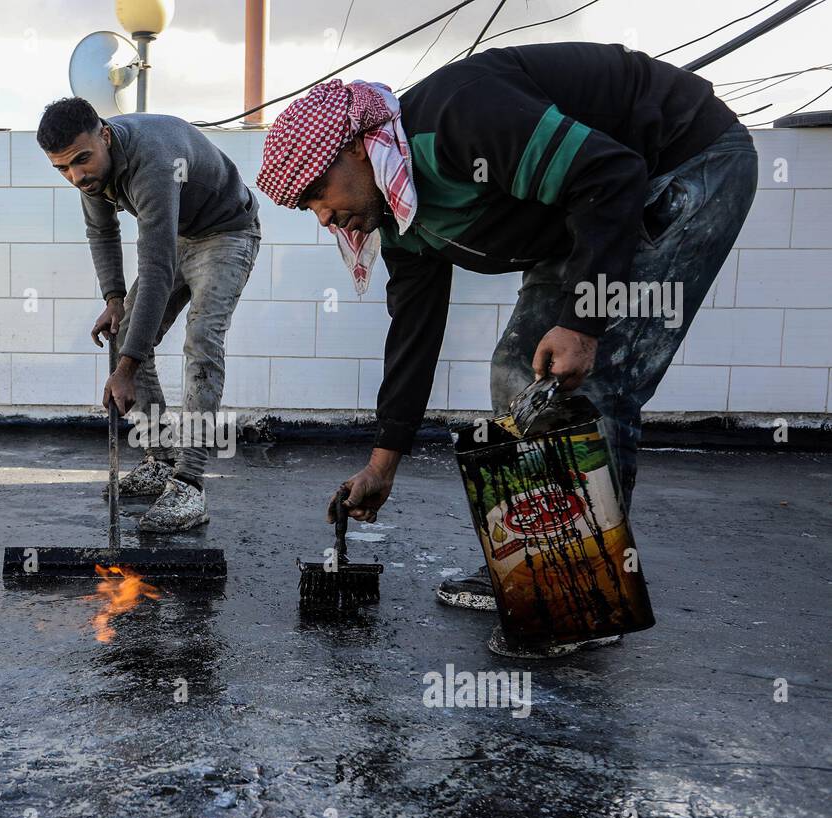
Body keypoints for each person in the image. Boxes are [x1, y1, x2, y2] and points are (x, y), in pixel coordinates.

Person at [256, 42, 757, 646]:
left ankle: (586, 592)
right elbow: (415, 332)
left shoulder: (460, 120)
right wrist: (383, 464)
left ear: (362, 145)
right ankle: (545, 563)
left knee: (593, 381)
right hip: (590, 209)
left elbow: (612, 173)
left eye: (318, 194)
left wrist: (583, 322)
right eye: (307, 207)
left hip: (681, 163)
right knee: (519, 370)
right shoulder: (402, 216)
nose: (325, 217)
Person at [38, 96, 262, 533]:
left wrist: (126, 369)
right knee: (125, 331)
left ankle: (189, 483)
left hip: (227, 232)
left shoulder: (153, 160)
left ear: (104, 134)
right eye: (63, 169)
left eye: (81, 161)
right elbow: (101, 230)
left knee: (201, 341)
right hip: (179, 233)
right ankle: (160, 459)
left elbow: (156, 268)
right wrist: (114, 299)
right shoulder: (90, 170)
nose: (76, 176)